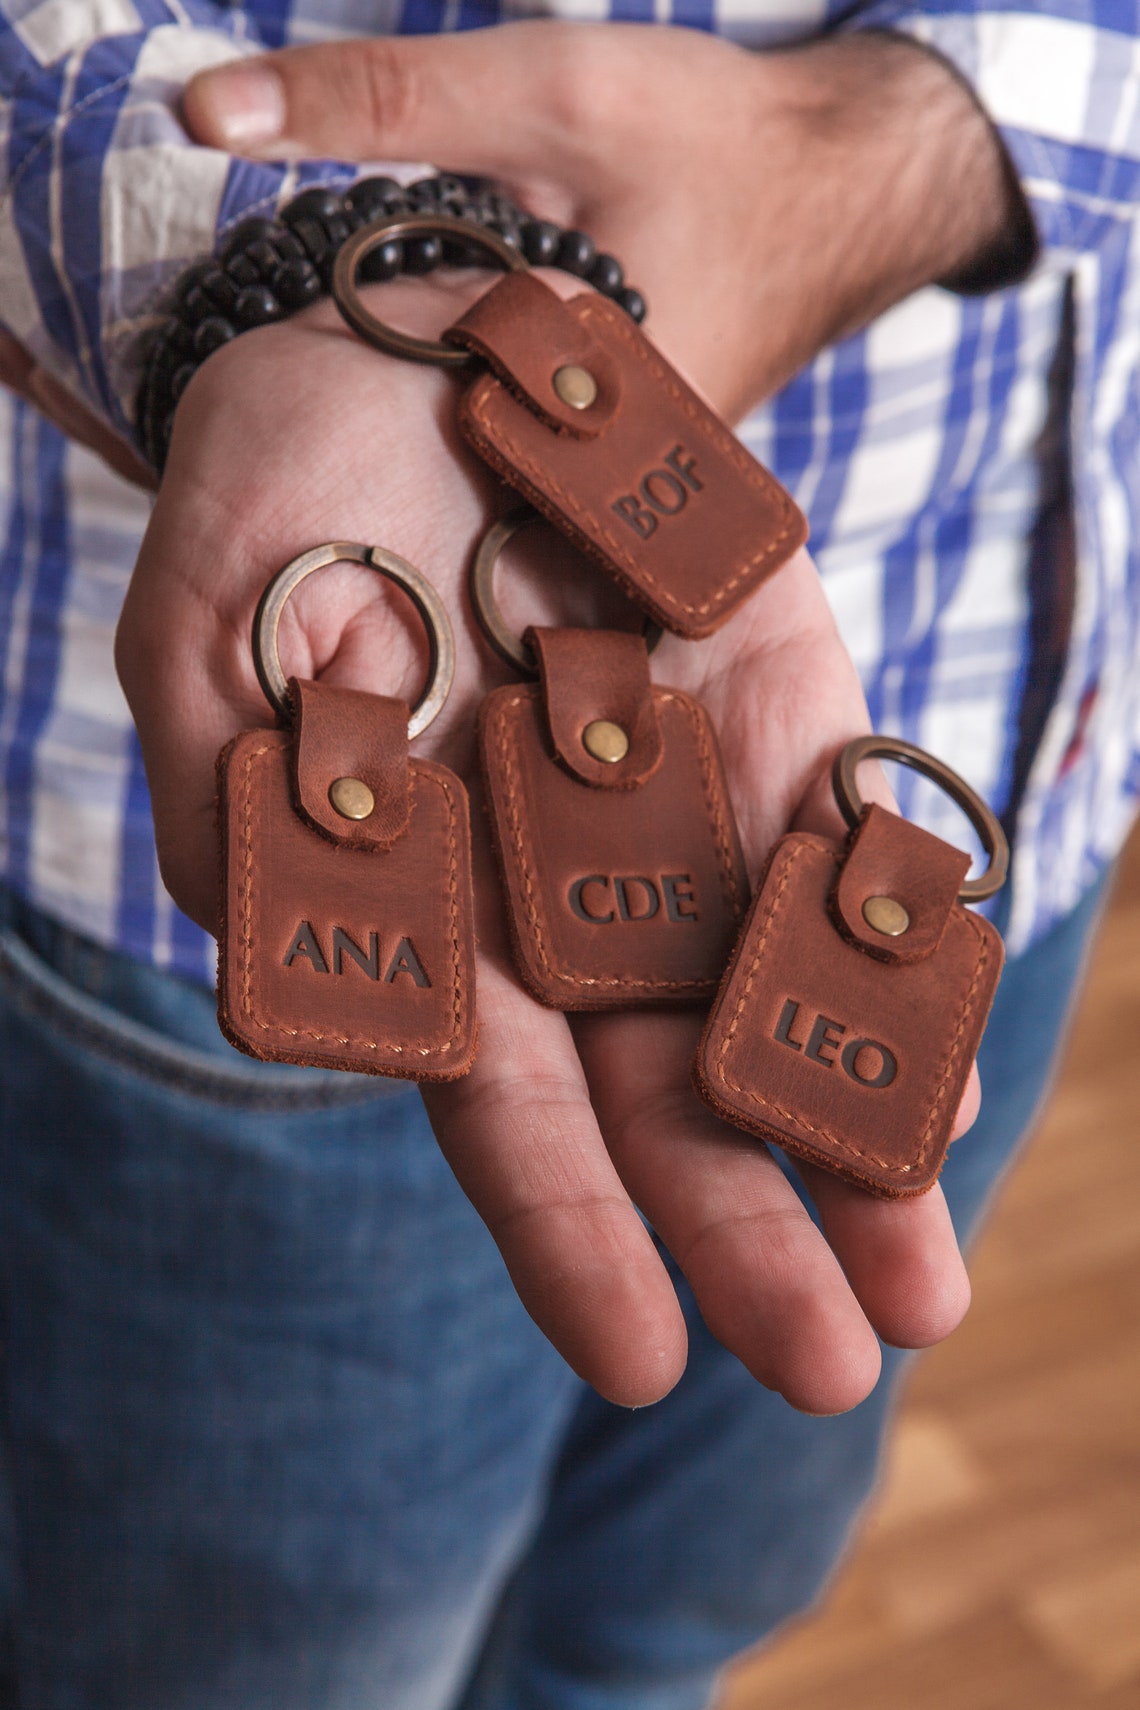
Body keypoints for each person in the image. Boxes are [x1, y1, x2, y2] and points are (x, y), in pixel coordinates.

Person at [0, 3, 1134, 1706]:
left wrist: (920, 137)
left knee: (666, 1625)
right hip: (213, 903)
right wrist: (268, 271)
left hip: (1020, 739)